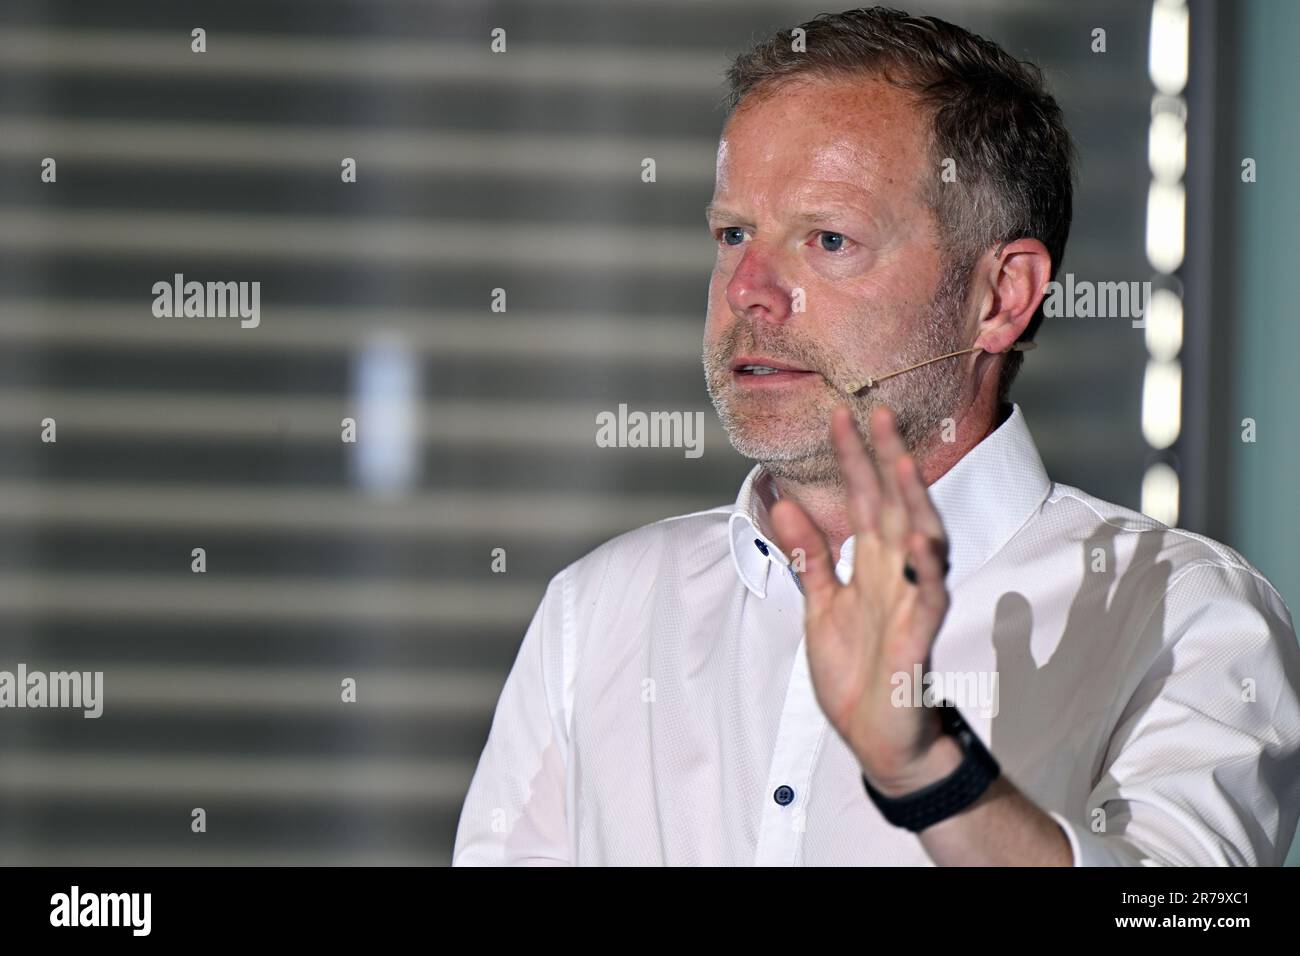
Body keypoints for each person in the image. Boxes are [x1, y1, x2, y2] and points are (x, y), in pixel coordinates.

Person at [452, 6, 1300, 865]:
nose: (748, 288)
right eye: (734, 233)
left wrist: (930, 774)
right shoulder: (598, 610)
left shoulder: (1183, 618)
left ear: (1001, 297)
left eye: (829, 239)